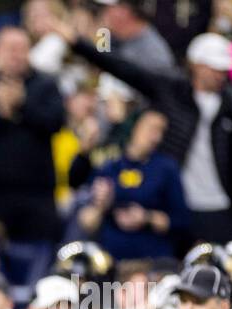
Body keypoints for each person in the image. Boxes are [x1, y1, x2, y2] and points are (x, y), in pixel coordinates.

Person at [60, 26, 232, 245]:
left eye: (224, 70)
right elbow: (123, 68)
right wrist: (79, 43)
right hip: (178, 201)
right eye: (215, 68)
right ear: (196, 65)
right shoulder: (171, 90)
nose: (220, 75)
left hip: (221, 203)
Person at [0, 25, 64, 284]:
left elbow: (56, 123)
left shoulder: (45, 84)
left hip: (38, 191)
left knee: (41, 257)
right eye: (10, 49)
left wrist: (22, 104)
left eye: (21, 49)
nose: (16, 55)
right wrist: (0, 113)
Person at [78, 107, 189, 262]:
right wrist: (101, 205)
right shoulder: (110, 166)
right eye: (151, 129)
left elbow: (181, 221)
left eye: (161, 131)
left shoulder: (166, 168)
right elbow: (86, 222)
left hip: (152, 258)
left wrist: (146, 217)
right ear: (135, 126)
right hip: (112, 257)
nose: (156, 137)